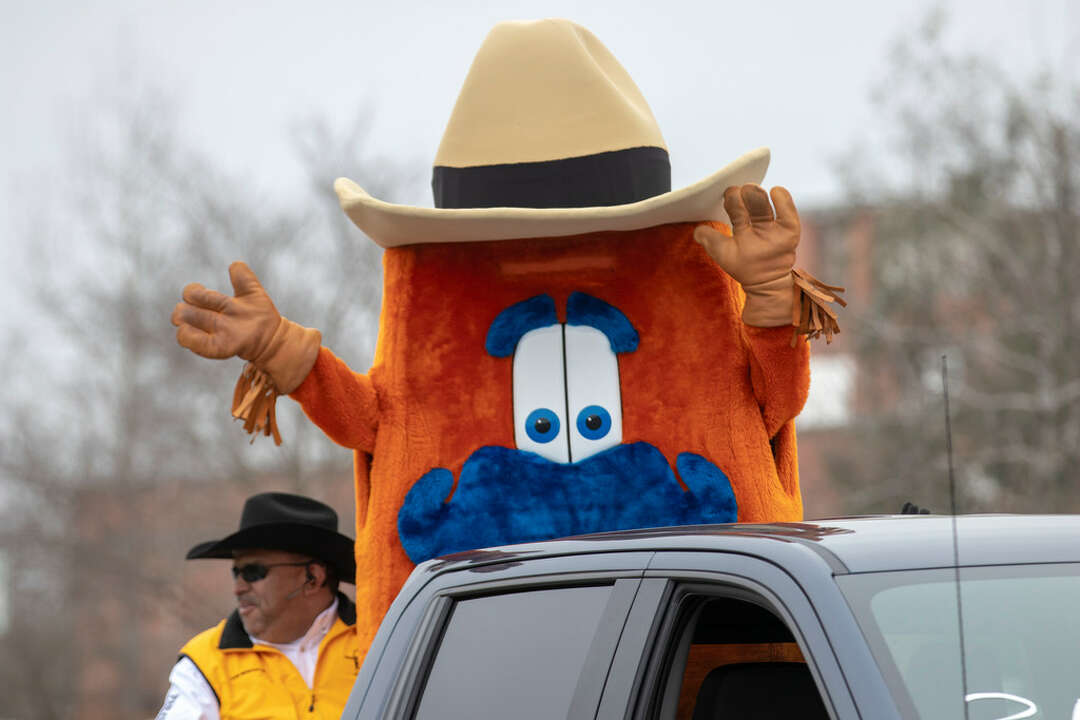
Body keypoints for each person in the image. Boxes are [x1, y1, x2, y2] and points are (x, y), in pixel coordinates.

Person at [156, 492, 360, 720]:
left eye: (253, 572)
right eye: (237, 573)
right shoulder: (204, 664)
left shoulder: (377, 638)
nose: (238, 587)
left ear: (313, 577)